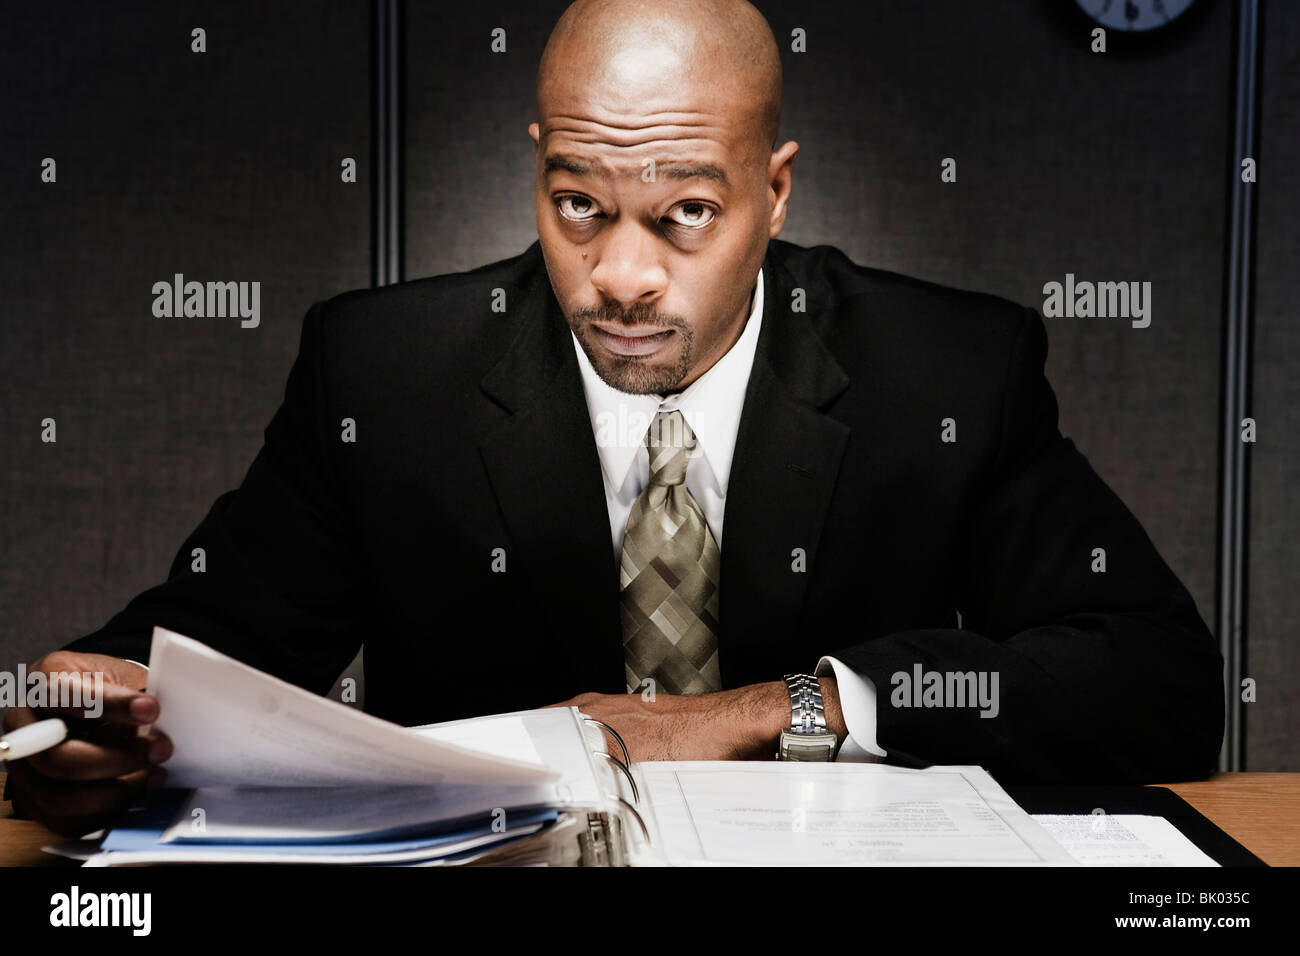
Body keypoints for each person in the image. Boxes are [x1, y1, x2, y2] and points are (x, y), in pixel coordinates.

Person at [4, 0, 1223, 837]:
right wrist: (81, 713)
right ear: (538, 166)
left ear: (774, 191)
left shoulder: (946, 372)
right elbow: (197, 653)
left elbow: (1157, 680)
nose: (621, 276)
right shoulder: (381, 377)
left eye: (685, 211)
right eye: (578, 202)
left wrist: (771, 709)